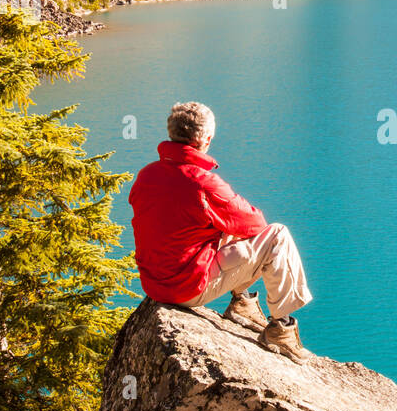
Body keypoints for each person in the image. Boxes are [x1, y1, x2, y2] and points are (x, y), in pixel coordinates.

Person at [128, 102, 313, 362]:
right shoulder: (203, 183)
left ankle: (244, 304)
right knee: (276, 236)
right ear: (205, 139)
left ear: (171, 134)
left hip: (154, 283)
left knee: (220, 226)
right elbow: (255, 223)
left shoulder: (147, 175)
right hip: (185, 289)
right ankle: (280, 328)